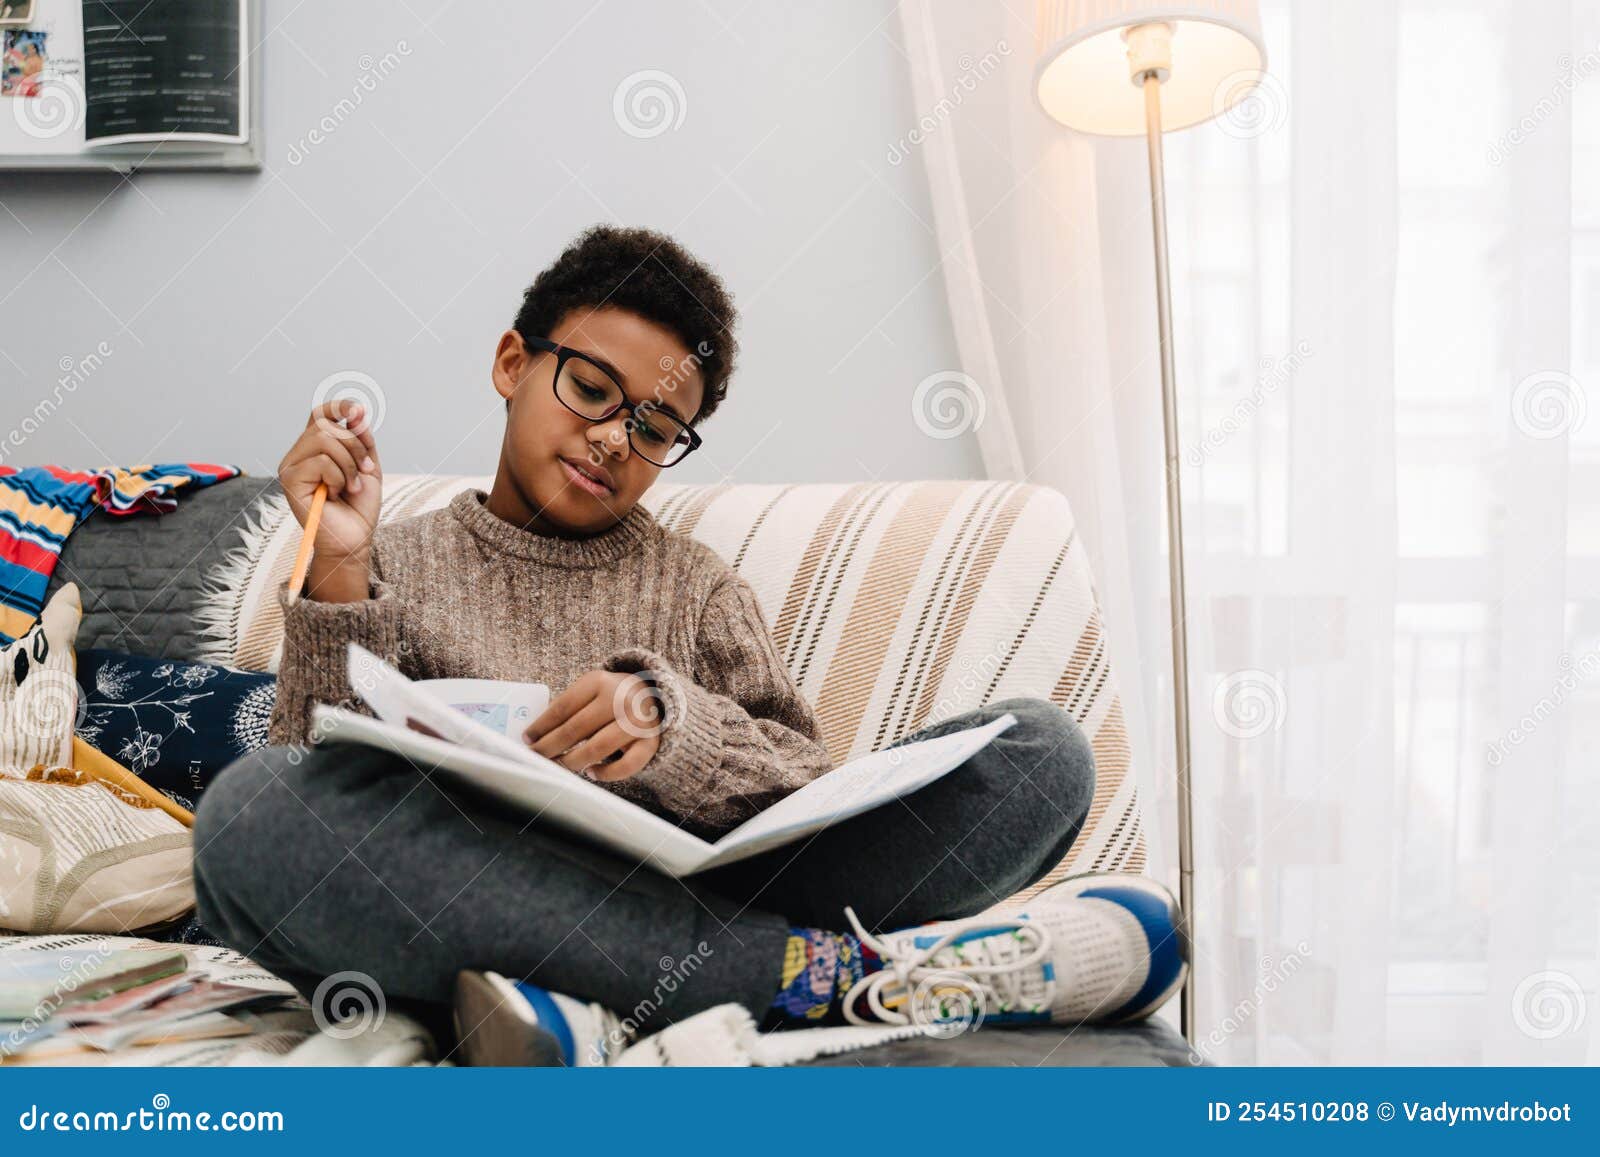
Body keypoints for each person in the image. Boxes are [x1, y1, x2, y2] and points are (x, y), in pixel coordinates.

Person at [192, 224, 1186, 1066]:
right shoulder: (390, 557)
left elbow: (803, 778)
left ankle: (607, 997)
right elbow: (316, 771)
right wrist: (337, 570)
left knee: (1041, 752)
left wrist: (673, 723)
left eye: (657, 426)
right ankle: (830, 979)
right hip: (486, 886)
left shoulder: (696, 585)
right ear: (511, 363)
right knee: (251, 814)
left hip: (710, 885)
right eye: (591, 389)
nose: (614, 439)